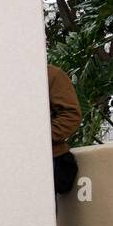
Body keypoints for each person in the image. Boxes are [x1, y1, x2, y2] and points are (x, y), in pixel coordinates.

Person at [48, 63, 81, 195]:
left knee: (39, 210)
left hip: (44, 160)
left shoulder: (50, 75)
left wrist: (37, 138)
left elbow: (71, 115)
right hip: (2, 160)